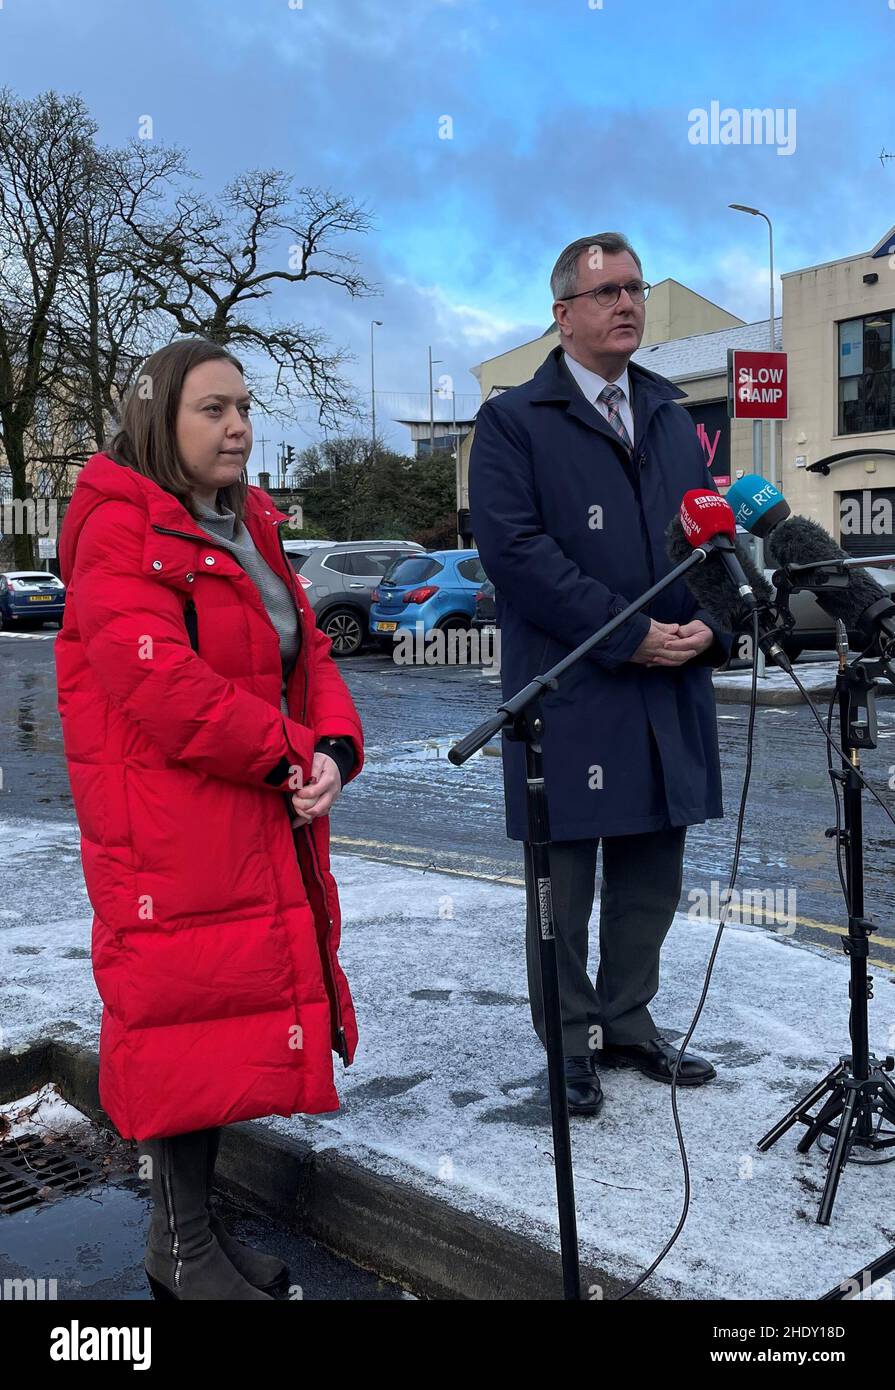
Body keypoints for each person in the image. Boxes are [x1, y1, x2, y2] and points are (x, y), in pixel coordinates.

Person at [55, 338, 364, 1299]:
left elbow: (306, 650)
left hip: (252, 814)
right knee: (185, 1027)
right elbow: (166, 688)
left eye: (244, 407)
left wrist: (333, 750)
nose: (237, 427)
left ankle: (191, 1238)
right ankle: (183, 1251)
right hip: (171, 830)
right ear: (160, 421)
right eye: (213, 410)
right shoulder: (114, 527)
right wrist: (287, 754)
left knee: (221, 1030)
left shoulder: (246, 522)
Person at [468, 233, 733, 1119]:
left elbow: (708, 535)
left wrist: (711, 622)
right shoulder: (513, 420)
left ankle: (626, 1022)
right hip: (574, 692)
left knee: (651, 877)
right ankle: (571, 1043)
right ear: (563, 313)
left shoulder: (666, 409)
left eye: (635, 289)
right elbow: (515, 552)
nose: (626, 303)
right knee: (565, 890)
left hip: (669, 688)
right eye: (606, 291)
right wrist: (630, 636)